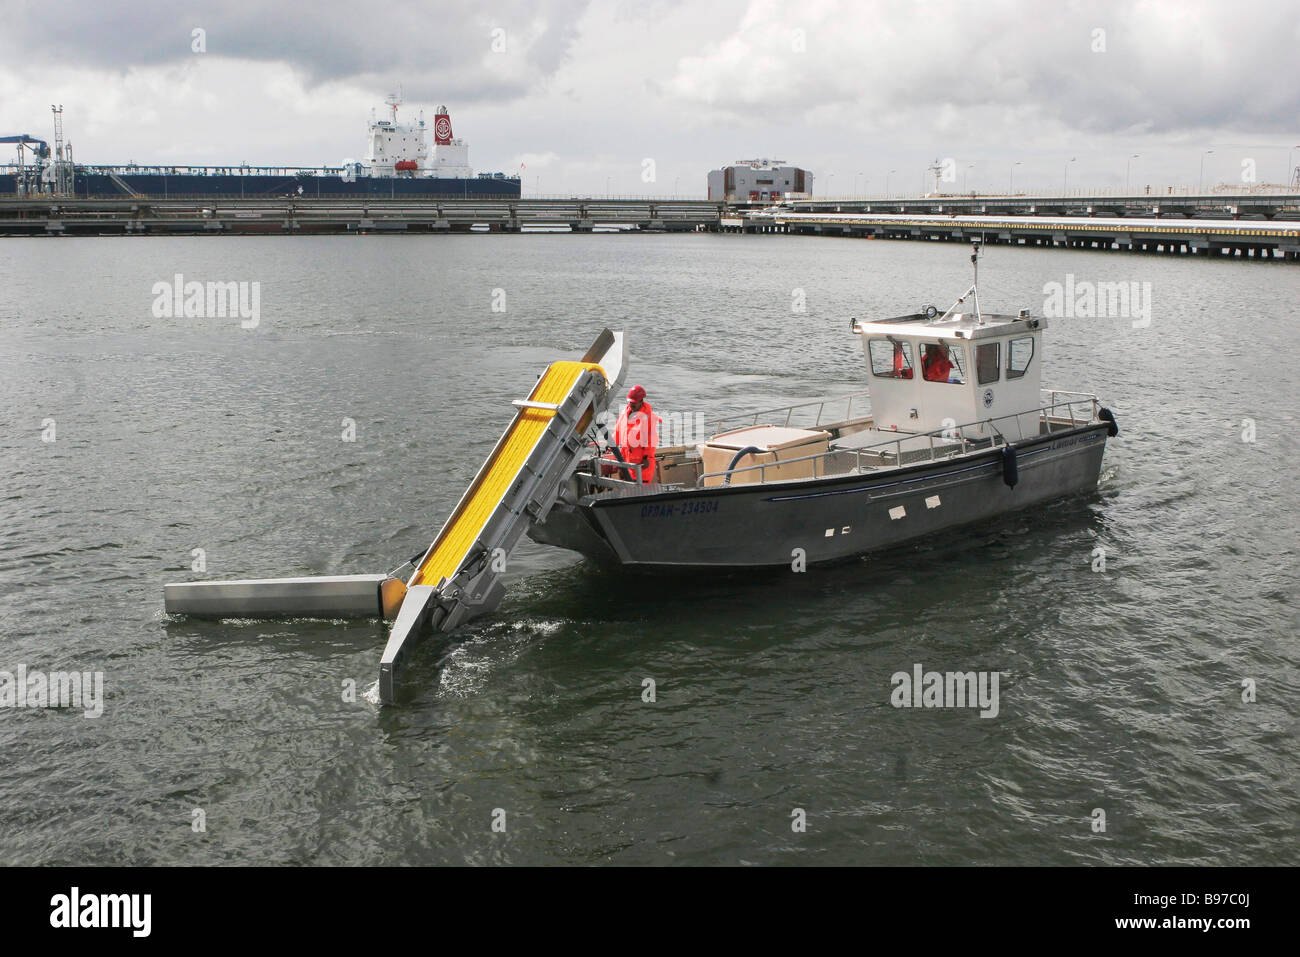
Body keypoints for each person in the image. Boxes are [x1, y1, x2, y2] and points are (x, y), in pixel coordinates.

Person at [610, 385, 659, 483]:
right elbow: (617, 432)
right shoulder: (624, 414)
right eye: (630, 402)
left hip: (642, 464)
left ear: (641, 401)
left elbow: (651, 440)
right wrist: (610, 446)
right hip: (626, 463)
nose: (632, 404)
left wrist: (646, 458)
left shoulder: (649, 418)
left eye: (634, 402)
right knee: (626, 492)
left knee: (640, 493)